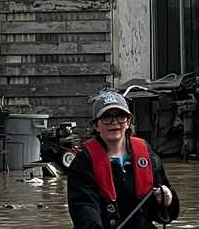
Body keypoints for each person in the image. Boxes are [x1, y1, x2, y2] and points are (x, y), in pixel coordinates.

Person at [68, 91, 180, 229]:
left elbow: (162, 206)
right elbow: (83, 206)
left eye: (120, 116)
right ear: (96, 125)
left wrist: (168, 199)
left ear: (128, 122)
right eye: (107, 117)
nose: (114, 122)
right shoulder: (84, 160)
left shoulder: (146, 153)